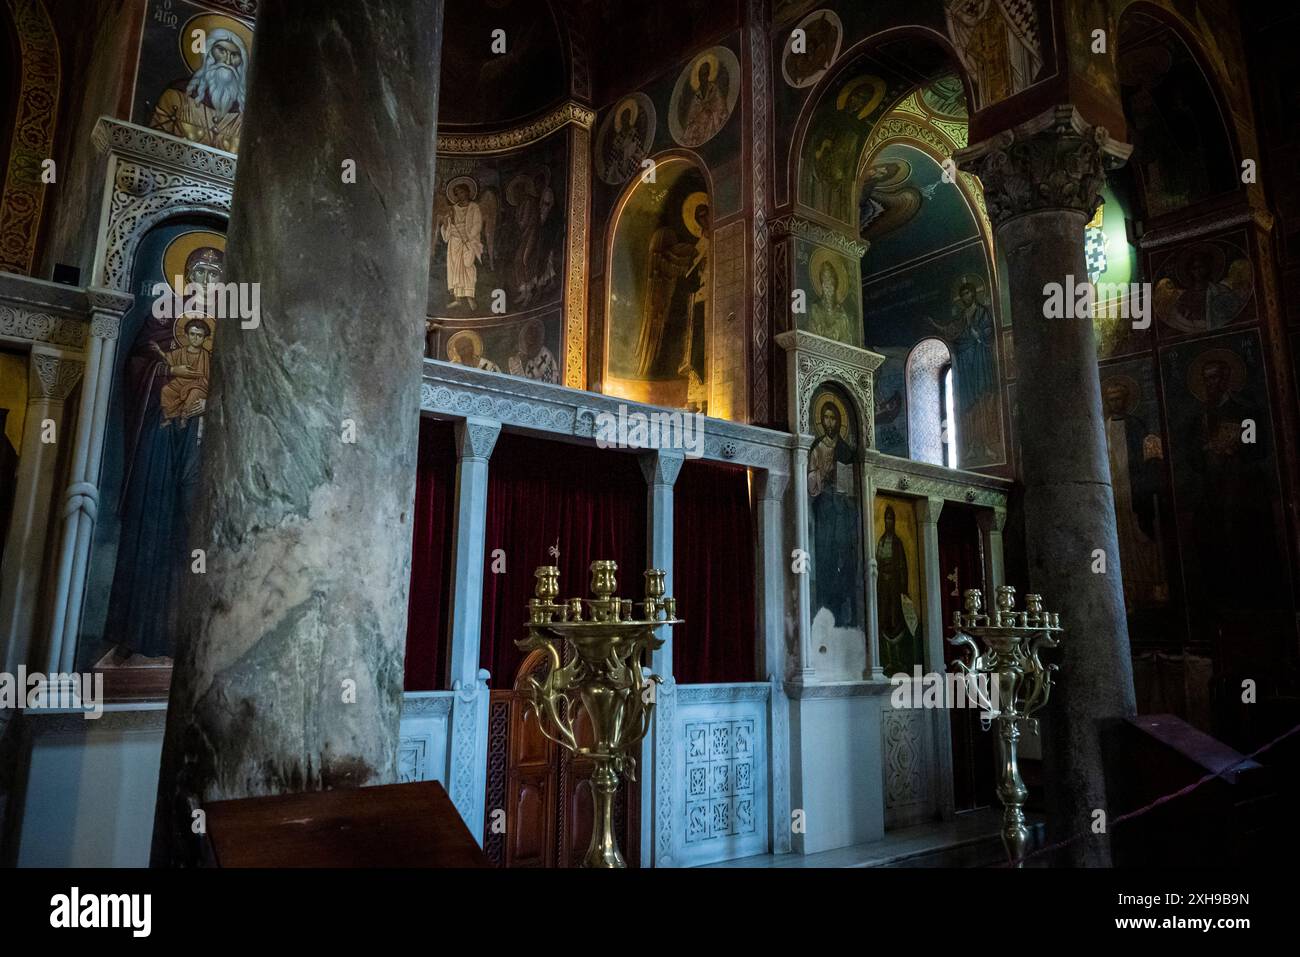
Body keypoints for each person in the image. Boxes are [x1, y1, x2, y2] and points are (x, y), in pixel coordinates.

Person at [150, 28, 248, 153]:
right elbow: (154, 143)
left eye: (234, 55)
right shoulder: (177, 96)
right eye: (221, 51)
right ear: (208, 54)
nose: (228, 61)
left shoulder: (247, 116)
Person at [808, 399, 860, 629]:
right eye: (826, 417)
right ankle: (824, 608)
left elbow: (852, 485)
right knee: (826, 558)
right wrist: (821, 479)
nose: (829, 422)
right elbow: (811, 483)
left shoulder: (846, 450)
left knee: (845, 557)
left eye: (833, 418)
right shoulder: (817, 447)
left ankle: (845, 610)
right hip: (825, 509)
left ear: (839, 421)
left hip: (843, 511)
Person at [875, 505, 918, 675]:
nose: (888, 522)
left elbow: (902, 568)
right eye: (886, 519)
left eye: (891, 519)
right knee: (884, 620)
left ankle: (900, 660)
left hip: (895, 589)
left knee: (896, 621)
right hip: (883, 590)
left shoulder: (898, 543)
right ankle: (888, 660)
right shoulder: (881, 541)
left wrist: (902, 589)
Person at [440, 181, 484, 310]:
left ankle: (470, 297)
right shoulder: (453, 209)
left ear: (468, 192)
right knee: (454, 268)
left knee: (468, 266)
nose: (460, 195)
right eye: (457, 193)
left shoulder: (474, 207)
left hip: (468, 240)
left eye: (462, 192)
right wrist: (446, 223)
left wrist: (469, 236)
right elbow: (447, 226)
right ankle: (457, 299)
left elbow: (477, 223)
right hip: (454, 241)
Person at [507, 319, 559, 383]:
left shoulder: (545, 354)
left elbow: (546, 377)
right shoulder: (517, 358)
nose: (531, 337)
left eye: (534, 334)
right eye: (529, 334)